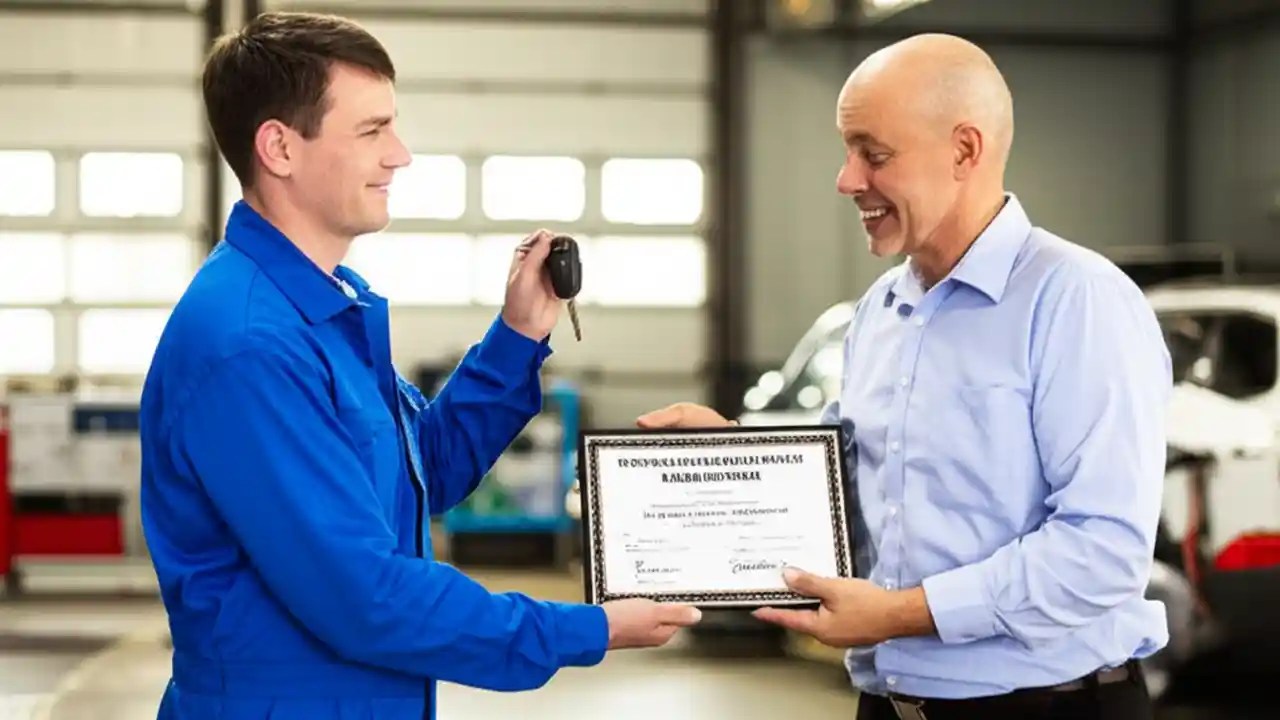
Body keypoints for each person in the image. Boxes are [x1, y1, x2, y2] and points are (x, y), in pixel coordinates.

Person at [138, 11, 699, 720]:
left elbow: (419, 473)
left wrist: (518, 336)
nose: (400, 154)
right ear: (279, 147)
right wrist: (582, 629)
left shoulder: (325, 308)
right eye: (372, 130)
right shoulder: (252, 343)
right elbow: (364, 597)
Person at [638, 33, 1169, 719]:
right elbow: (855, 477)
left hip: (1046, 707)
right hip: (892, 704)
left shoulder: (1076, 301)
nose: (846, 179)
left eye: (874, 154)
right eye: (847, 151)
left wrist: (898, 614)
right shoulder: (883, 309)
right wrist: (733, 458)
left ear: (964, 151)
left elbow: (1103, 551)